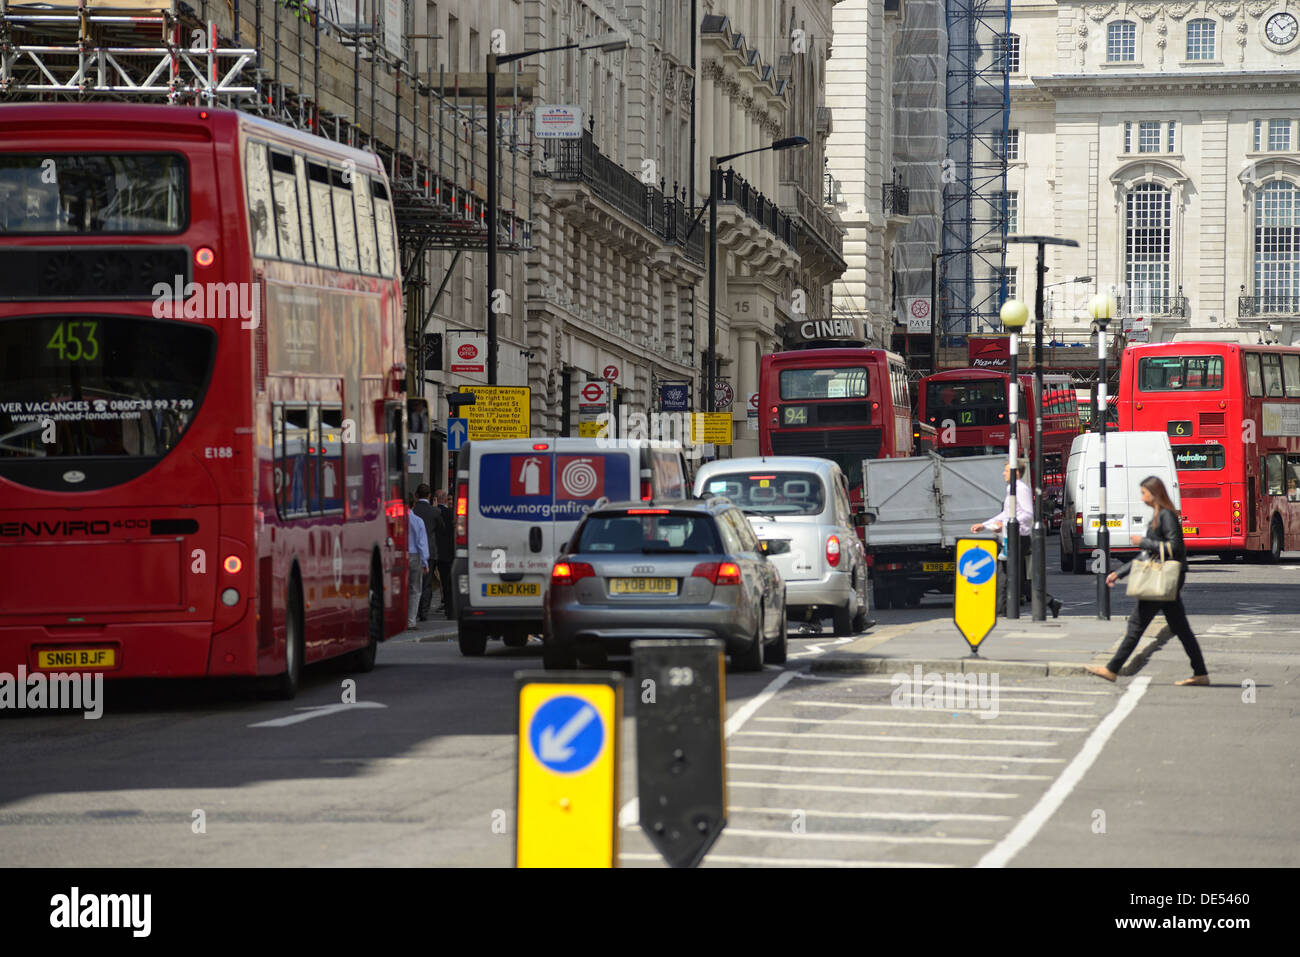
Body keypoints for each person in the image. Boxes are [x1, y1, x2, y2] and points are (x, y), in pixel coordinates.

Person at [1086, 476, 1209, 686]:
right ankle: (1200, 673)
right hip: (1164, 577)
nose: (1142, 497)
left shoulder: (1166, 515)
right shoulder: (1158, 515)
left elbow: (1176, 547)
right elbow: (1146, 555)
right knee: (1181, 628)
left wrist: (1142, 541)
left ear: (1155, 494)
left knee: (1136, 624)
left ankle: (1111, 669)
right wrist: (1120, 573)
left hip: (1162, 578)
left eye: (1144, 492)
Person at [971, 458, 1063, 619]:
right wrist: (985, 525)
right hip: (1012, 537)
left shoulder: (1020, 489)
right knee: (1014, 578)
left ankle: (1001, 612)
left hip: (1018, 538)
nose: (1003, 473)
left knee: (1005, 575)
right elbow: (1006, 514)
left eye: (1006, 470)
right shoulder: (1012, 489)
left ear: (1016, 472)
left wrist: (1005, 524)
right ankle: (1049, 602)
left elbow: (1028, 514)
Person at [411, 484, 440, 621]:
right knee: (427, 583)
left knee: (413, 584)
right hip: (430, 551)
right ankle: (424, 612)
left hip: (412, 551)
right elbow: (442, 529)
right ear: (429, 496)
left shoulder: (413, 510)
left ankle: (413, 613)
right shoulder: (434, 511)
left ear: (417, 495)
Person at [407, 500, 430, 630]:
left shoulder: (394, 519)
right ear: (413, 505)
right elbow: (421, 542)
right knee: (415, 589)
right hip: (414, 556)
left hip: (399, 555)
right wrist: (424, 561)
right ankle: (411, 621)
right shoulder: (417, 520)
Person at [433, 489, 455, 615]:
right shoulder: (450, 513)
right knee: (447, 582)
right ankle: (449, 609)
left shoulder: (433, 512)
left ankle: (422, 611)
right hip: (448, 552)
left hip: (434, 552)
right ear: (445, 499)